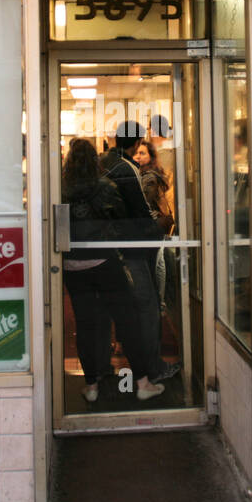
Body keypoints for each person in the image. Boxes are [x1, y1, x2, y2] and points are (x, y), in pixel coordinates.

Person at [62, 138, 165, 403]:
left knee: (86, 325)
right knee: (127, 321)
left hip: (72, 267)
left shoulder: (60, 189)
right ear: (94, 159)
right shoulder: (105, 187)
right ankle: (142, 383)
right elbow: (123, 223)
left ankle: (92, 386)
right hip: (104, 263)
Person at [100, 122, 178, 385]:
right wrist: (161, 224)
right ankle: (152, 369)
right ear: (136, 143)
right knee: (148, 308)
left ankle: (125, 369)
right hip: (131, 248)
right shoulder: (127, 168)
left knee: (126, 309)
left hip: (109, 248)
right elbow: (139, 214)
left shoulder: (105, 162)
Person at [132, 139, 173, 236]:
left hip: (153, 223)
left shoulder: (150, 177)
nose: (138, 156)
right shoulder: (151, 172)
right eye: (136, 153)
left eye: (142, 153)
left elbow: (144, 202)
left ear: (151, 157)